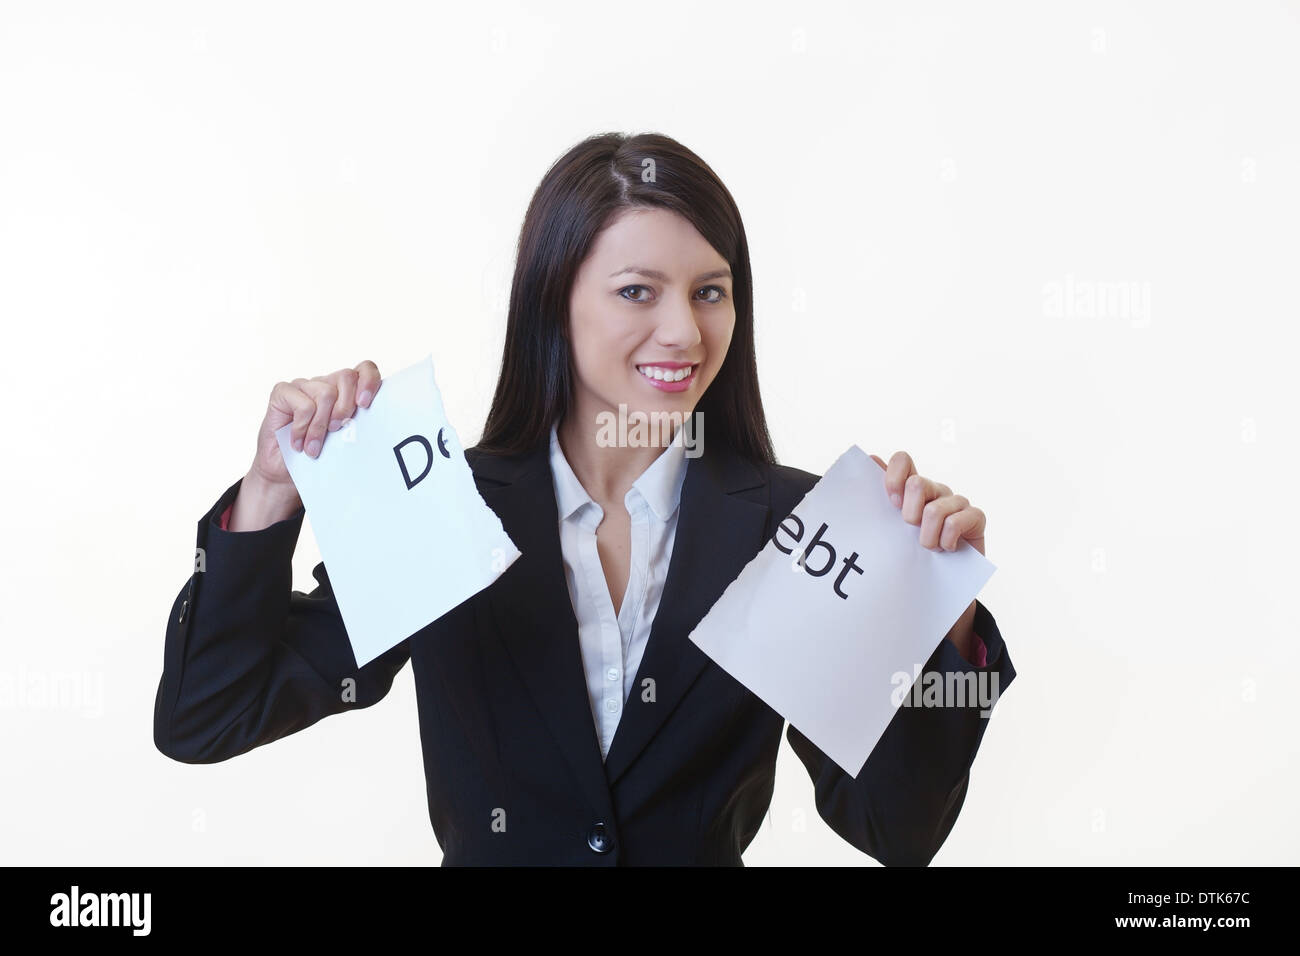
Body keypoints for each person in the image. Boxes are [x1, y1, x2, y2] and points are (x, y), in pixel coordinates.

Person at [153, 132, 1016, 866]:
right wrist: (269, 494)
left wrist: (940, 629)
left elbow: (897, 829)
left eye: (710, 292)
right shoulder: (444, 509)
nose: (684, 331)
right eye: (637, 291)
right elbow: (209, 715)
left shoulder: (794, 531)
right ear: (553, 302)